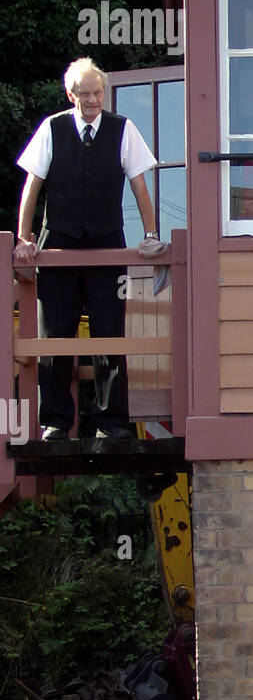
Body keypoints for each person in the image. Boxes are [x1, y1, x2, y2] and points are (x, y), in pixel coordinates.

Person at [13, 58, 164, 444]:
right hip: (58, 243)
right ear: (71, 95)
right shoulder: (53, 128)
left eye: (98, 92)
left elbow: (140, 187)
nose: (94, 99)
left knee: (109, 333)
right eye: (85, 93)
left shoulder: (123, 129)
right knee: (54, 335)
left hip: (106, 244)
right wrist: (24, 239)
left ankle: (111, 422)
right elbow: (32, 187)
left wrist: (150, 233)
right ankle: (56, 422)